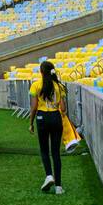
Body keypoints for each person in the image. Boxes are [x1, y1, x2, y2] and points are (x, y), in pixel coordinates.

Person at [28, 60, 66, 195]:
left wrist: (31, 123)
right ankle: (59, 186)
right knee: (56, 152)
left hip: (42, 118)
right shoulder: (59, 87)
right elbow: (63, 108)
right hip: (56, 117)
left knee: (44, 150)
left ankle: (49, 175)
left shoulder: (35, 85)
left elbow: (33, 107)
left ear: (41, 72)